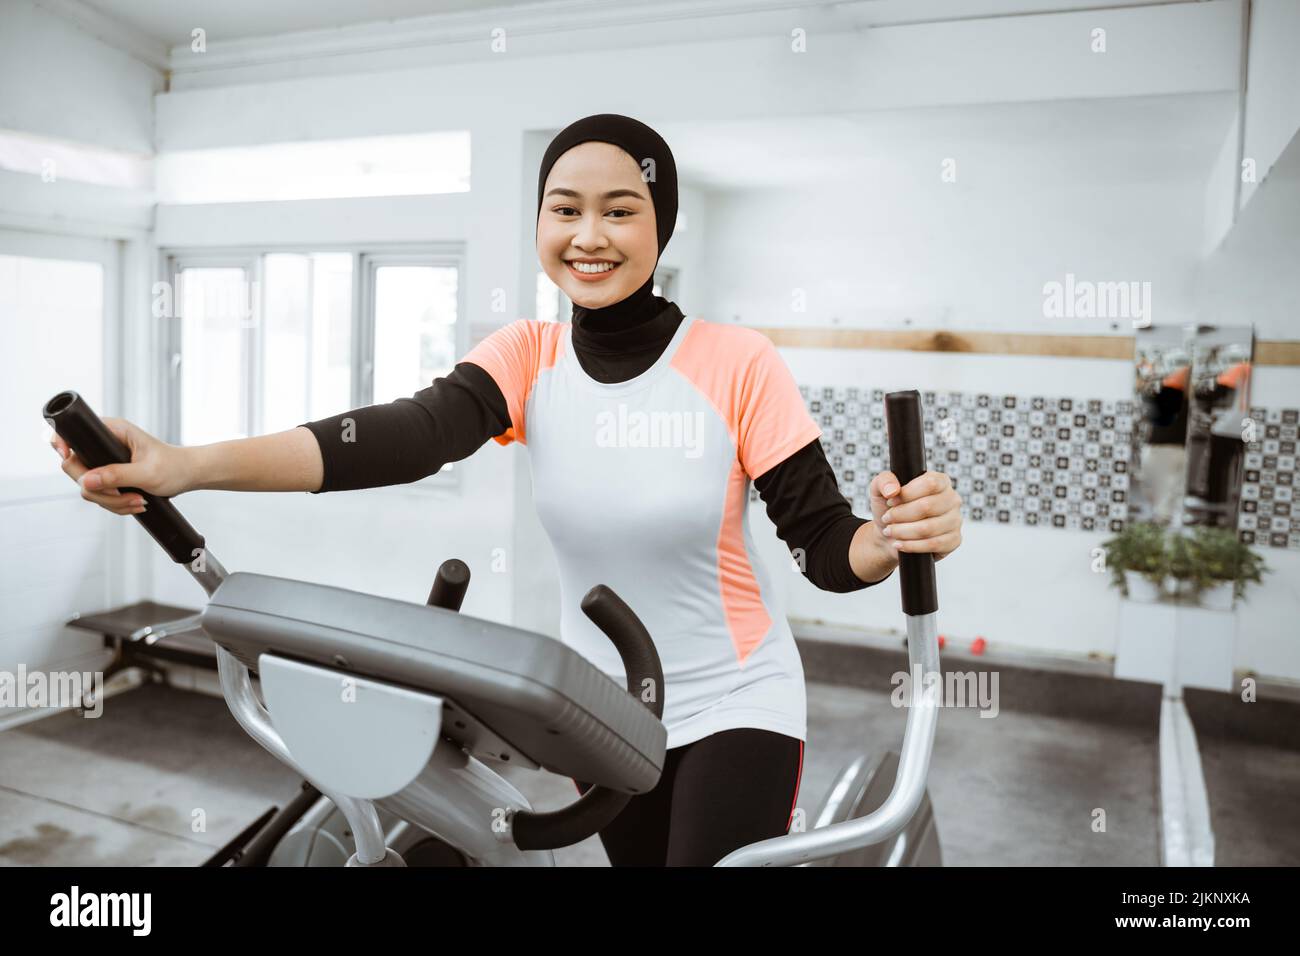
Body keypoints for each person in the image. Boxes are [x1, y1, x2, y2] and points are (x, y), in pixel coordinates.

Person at [51, 113, 963, 867]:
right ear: (540, 226)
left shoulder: (737, 363)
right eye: (565, 209)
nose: (590, 235)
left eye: (621, 210)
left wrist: (889, 537)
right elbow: (404, 437)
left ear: (660, 226)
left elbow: (826, 548)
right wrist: (186, 465)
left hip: (739, 698)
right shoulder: (528, 357)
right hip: (603, 709)